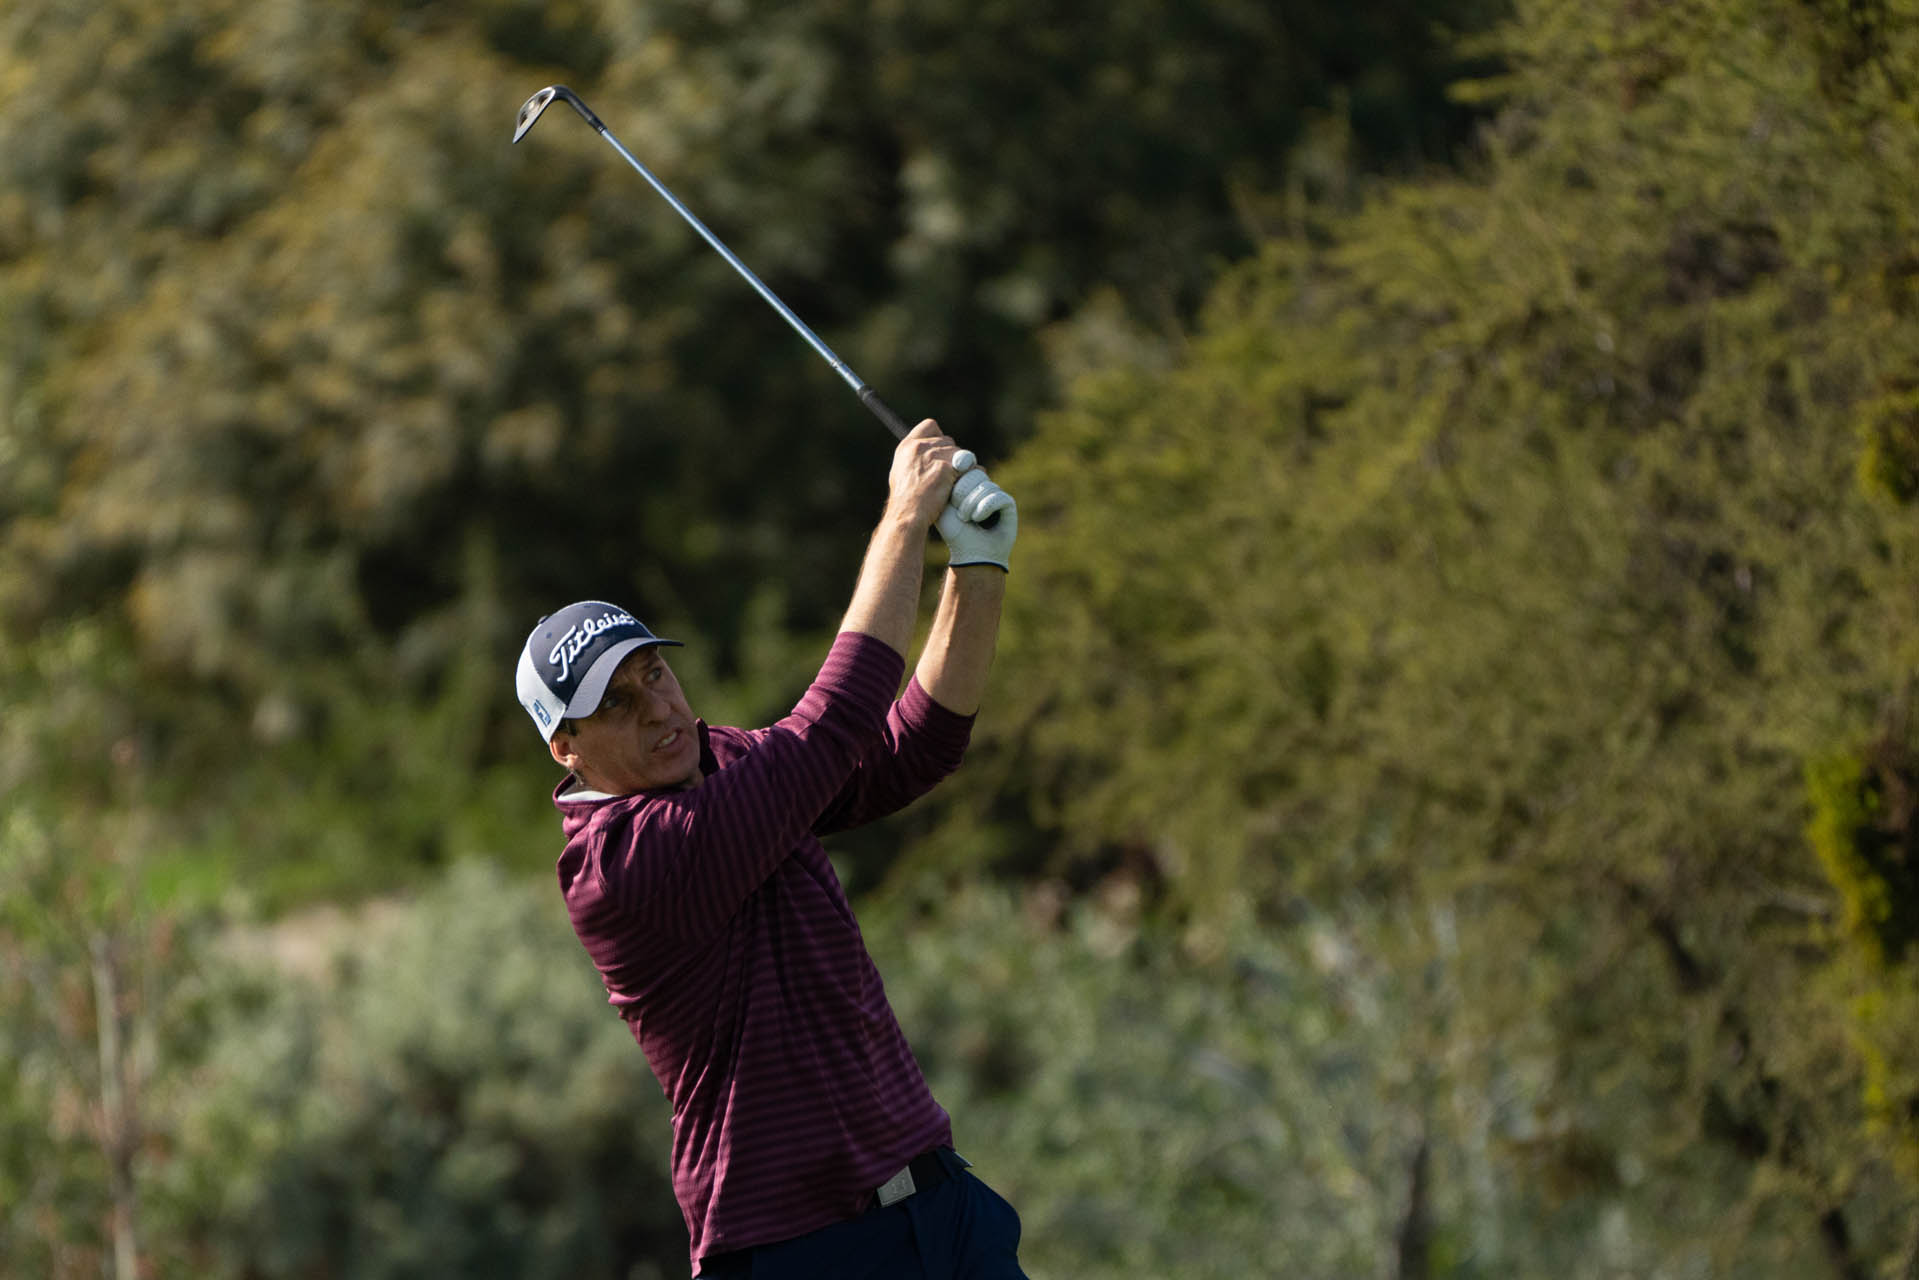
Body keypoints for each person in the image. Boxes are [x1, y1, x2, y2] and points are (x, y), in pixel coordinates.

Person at [514, 420, 1029, 1279]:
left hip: (937, 1209)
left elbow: (912, 749)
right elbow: (830, 728)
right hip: (798, 1247)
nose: (657, 709)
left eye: (653, 673)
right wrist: (905, 518)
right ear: (564, 749)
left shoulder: (727, 761)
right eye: (614, 705)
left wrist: (975, 570)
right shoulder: (617, 868)